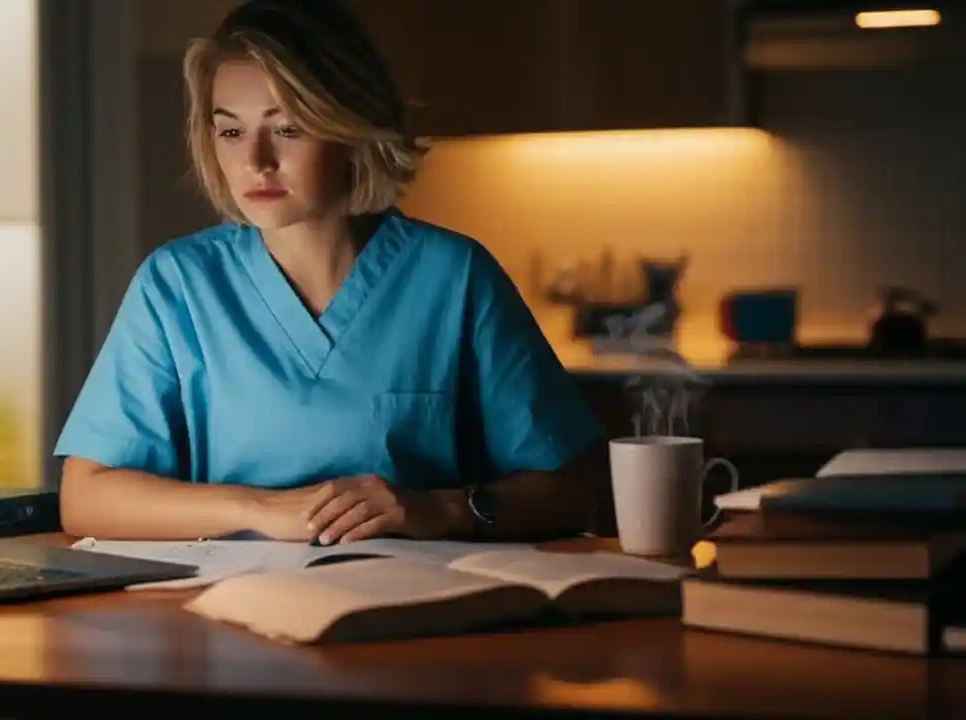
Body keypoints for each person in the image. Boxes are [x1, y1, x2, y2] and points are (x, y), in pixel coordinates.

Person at [54, 0, 603, 545]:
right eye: (231, 132)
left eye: (287, 129)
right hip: (234, 595)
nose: (256, 162)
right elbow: (86, 496)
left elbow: (571, 488)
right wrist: (259, 508)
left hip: (410, 594)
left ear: (350, 128)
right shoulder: (178, 284)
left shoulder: (454, 277)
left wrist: (438, 508)